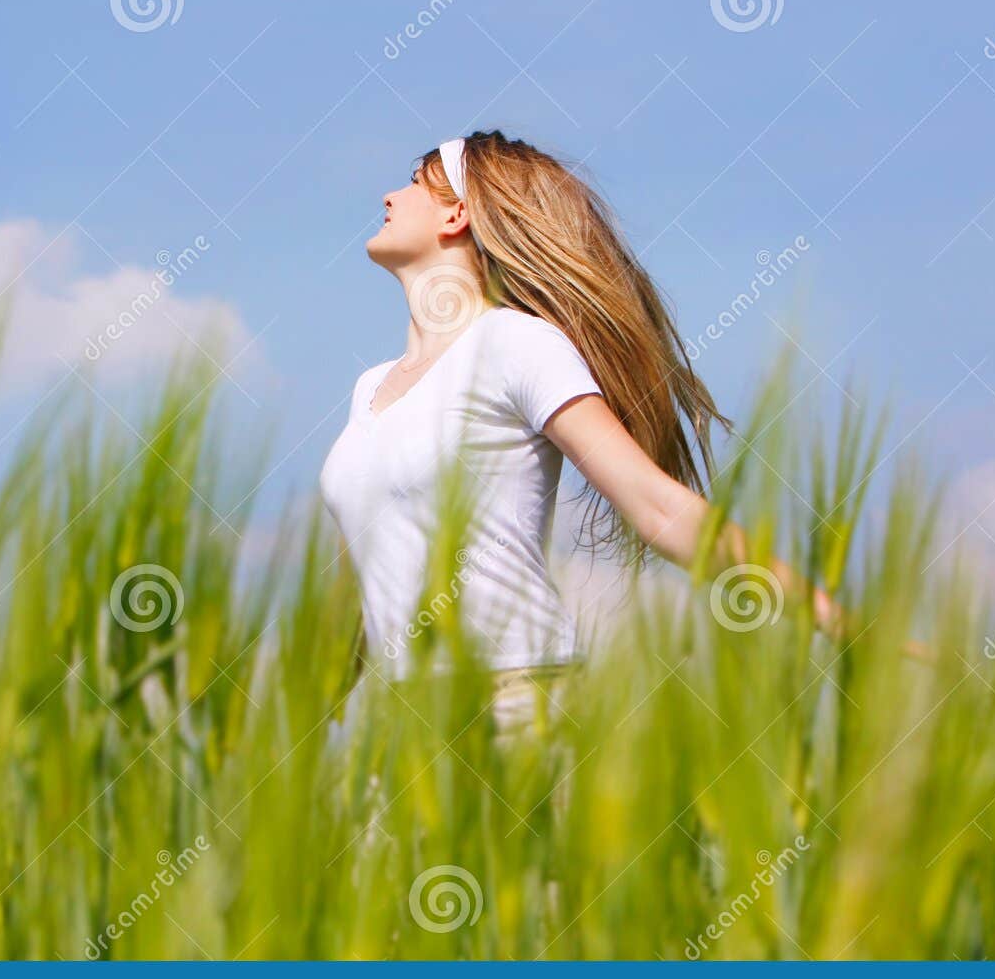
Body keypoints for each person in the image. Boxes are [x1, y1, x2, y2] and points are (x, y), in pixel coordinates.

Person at [319, 130, 842, 736]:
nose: (388, 196)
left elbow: (654, 504)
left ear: (457, 214)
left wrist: (830, 616)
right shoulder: (370, 389)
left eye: (412, 186)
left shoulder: (515, 343)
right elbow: (374, 569)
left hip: (511, 700)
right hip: (392, 723)